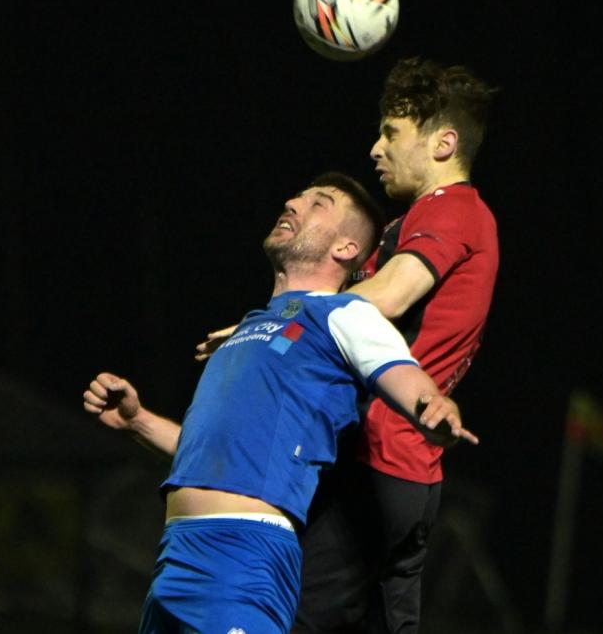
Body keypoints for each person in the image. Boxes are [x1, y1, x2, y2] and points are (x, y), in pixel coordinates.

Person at [83, 172, 479, 634]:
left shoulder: (343, 314)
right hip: (175, 558)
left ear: (347, 249)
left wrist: (435, 410)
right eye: (296, 196)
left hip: (244, 556)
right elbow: (217, 454)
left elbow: (411, 383)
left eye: (319, 203)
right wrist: (138, 422)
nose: (292, 202)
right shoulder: (246, 328)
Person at [199, 57, 500, 633]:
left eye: (391, 132)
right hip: (394, 464)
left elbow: (381, 298)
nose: (375, 149)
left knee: (294, 620)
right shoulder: (407, 223)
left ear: (444, 143)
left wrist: (264, 330)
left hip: (379, 462)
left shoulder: (456, 208)